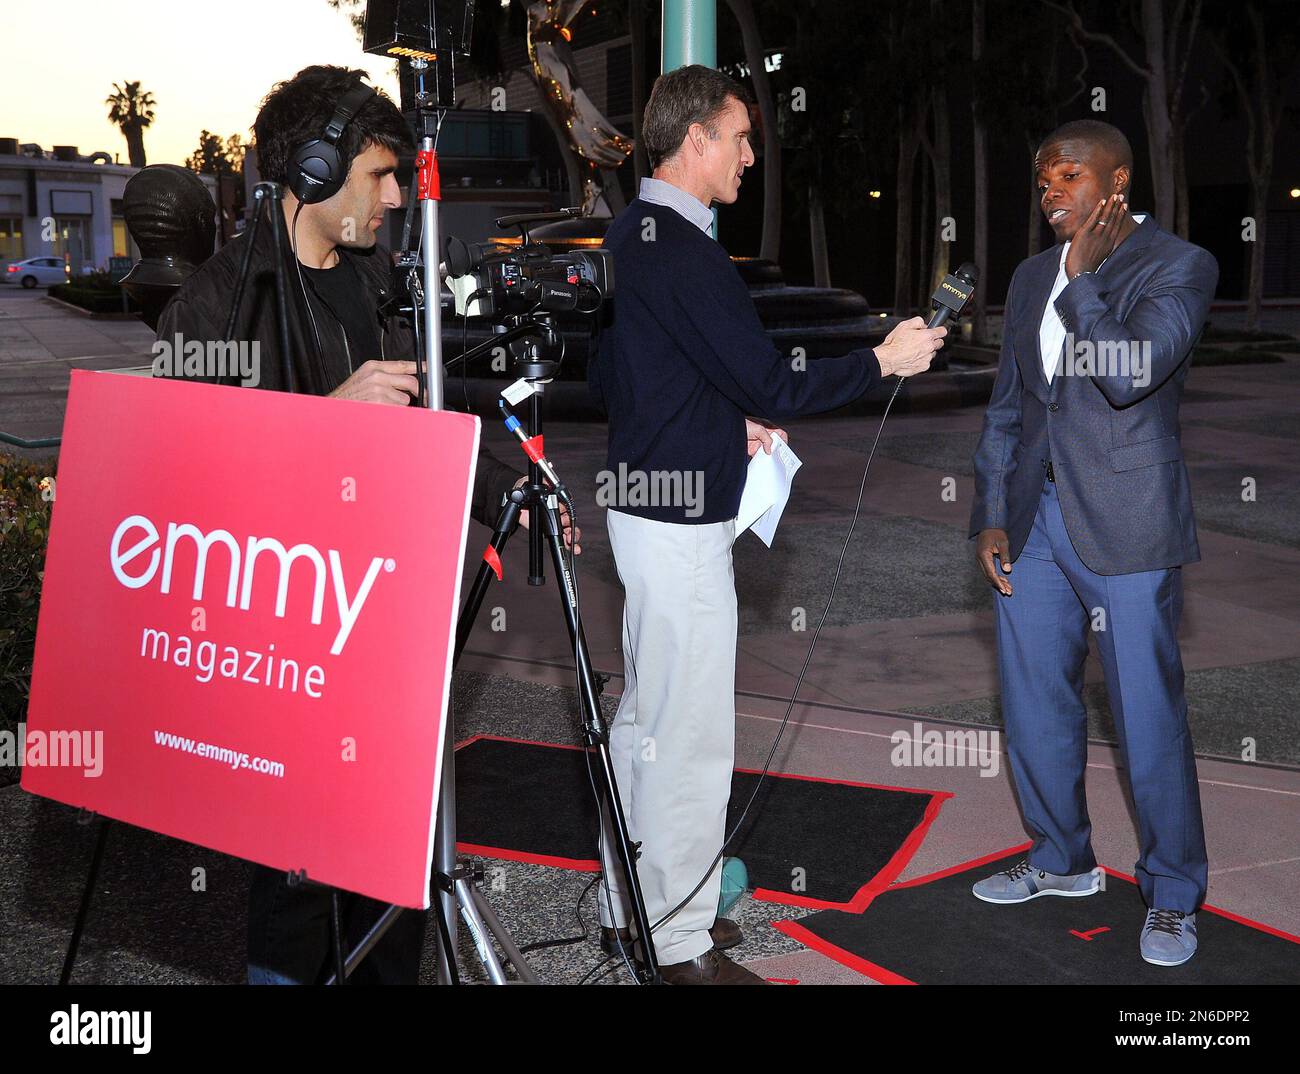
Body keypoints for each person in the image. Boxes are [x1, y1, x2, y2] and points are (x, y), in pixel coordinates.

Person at [155, 65, 571, 983]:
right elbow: (182, 491)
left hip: (379, 623)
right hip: (282, 643)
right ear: (311, 169)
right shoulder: (215, 305)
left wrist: (513, 488)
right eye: (379, 175)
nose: (394, 197)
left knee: (396, 861)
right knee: (298, 878)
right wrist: (331, 415)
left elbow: (427, 409)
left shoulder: (371, 280)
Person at [589, 64, 945, 985]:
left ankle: (628, 905)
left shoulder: (633, 234)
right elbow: (776, 382)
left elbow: (631, 378)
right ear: (696, 137)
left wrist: (718, 422)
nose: (751, 155)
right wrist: (882, 359)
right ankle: (675, 940)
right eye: (742, 137)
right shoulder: (685, 247)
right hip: (677, 526)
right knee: (690, 737)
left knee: (644, 719)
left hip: (642, 505)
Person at [968, 119, 1218, 967]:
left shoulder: (1178, 265)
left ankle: (1174, 894)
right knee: (1035, 705)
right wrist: (990, 511)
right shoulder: (1031, 274)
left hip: (1129, 529)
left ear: (1116, 184)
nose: (1050, 196)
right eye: (1042, 183)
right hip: (1034, 529)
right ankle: (1060, 860)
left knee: (1148, 720)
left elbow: (1129, 370)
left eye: (1068, 178)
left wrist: (1081, 282)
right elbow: (1010, 407)